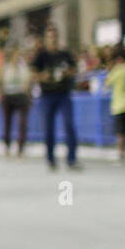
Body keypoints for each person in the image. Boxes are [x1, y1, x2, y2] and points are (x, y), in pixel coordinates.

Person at [33, 24, 81, 170]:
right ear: (46, 39)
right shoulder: (41, 56)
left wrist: (68, 73)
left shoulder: (65, 54)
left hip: (63, 94)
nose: (52, 40)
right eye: (50, 37)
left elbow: (74, 69)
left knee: (69, 125)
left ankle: (71, 159)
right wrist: (43, 76)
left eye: (54, 37)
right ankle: (50, 159)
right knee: (48, 128)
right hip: (47, 95)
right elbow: (34, 73)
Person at [0, 41, 32, 157]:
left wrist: (28, 95)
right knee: (7, 122)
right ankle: (7, 145)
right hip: (8, 95)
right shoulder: (4, 67)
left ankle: (20, 147)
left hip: (21, 95)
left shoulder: (23, 67)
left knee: (22, 123)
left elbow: (28, 81)